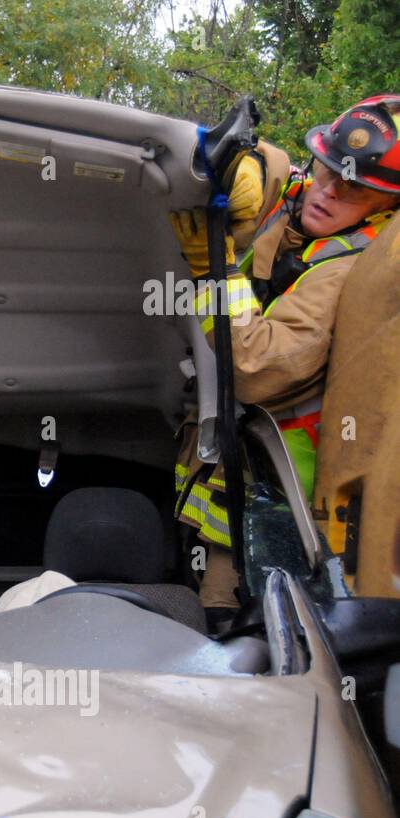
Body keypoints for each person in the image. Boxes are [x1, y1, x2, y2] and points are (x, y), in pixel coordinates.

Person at [170, 95, 400, 614]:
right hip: (233, 484)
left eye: (355, 186)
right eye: (326, 169)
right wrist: (250, 162)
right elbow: (280, 174)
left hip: (282, 505)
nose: (328, 191)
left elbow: (253, 368)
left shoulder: (353, 274)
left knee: (240, 632)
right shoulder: (307, 202)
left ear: (389, 204)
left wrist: (215, 273)